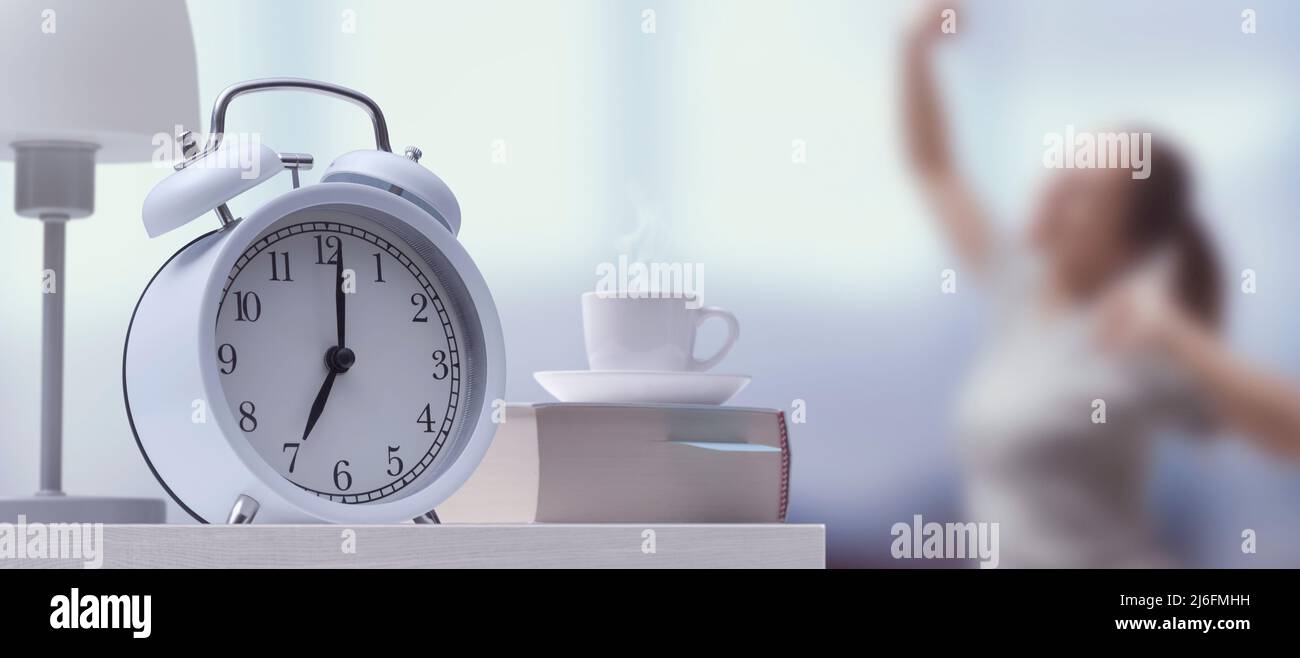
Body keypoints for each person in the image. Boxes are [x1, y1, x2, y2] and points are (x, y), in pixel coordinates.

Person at [903, 4, 1300, 567]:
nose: (1053, 189)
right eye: (1062, 167)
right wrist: (914, 48)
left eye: (1083, 189)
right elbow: (933, 166)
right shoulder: (1018, 291)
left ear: (1127, 246)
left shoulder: (1136, 336)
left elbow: (1293, 430)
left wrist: (1179, 338)